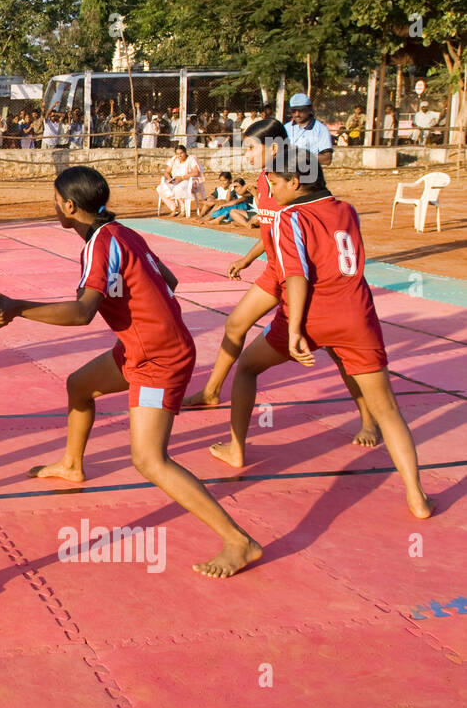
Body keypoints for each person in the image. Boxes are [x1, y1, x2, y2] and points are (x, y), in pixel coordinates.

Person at [0, 165, 263, 578]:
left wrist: (17, 307)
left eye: (55, 200)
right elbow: (169, 279)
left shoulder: (101, 244)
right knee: (79, 385)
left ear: (69, 205)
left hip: (159, 359)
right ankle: (71, 464)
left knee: (150, 460)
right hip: (139, 348)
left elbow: (82, 314)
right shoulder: (121, 233)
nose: (53, 206)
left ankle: (240, 542)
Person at [207, 156, 433, 521]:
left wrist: (295, 328)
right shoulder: (348, 210)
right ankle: (417, 496)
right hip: (358, 315)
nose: (272, 190)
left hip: (314, 314)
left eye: (276, 184)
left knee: (246, 367)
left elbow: (296, 276)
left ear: (295, 182)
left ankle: (236, 449)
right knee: (389, 410)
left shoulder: (290, 217)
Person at [183, 119, 379, 444]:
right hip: (276, 270)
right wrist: (247, 258)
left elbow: (300, 232)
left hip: (298, 276)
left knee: (336, 349)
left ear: (273, 148)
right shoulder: (266, 180)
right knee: (235, 325)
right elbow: (271, 229)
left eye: (250, 148)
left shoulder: (289, 182)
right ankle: (211, 391)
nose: (245, 156)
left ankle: (369, 418)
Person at [285, 93, 333, 166]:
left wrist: (302, 156)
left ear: (309, 109)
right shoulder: (285, 128)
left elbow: (327, 160)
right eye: (293, 111)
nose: (297, 114)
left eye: (301, 110)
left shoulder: (321, 129)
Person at [157, 144, 205, 215]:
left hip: (188, 181)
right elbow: (166, 172)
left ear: (185, 152)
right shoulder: (174, 159)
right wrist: (170, 179)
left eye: (181, 153)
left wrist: (182, 177)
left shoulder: (191, 159)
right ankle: (173, 208)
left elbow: (196, 172)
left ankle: (183, 210)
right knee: (160, 188)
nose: (179, 155)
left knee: (178, 188)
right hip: (175, 181)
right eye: (177, 154)